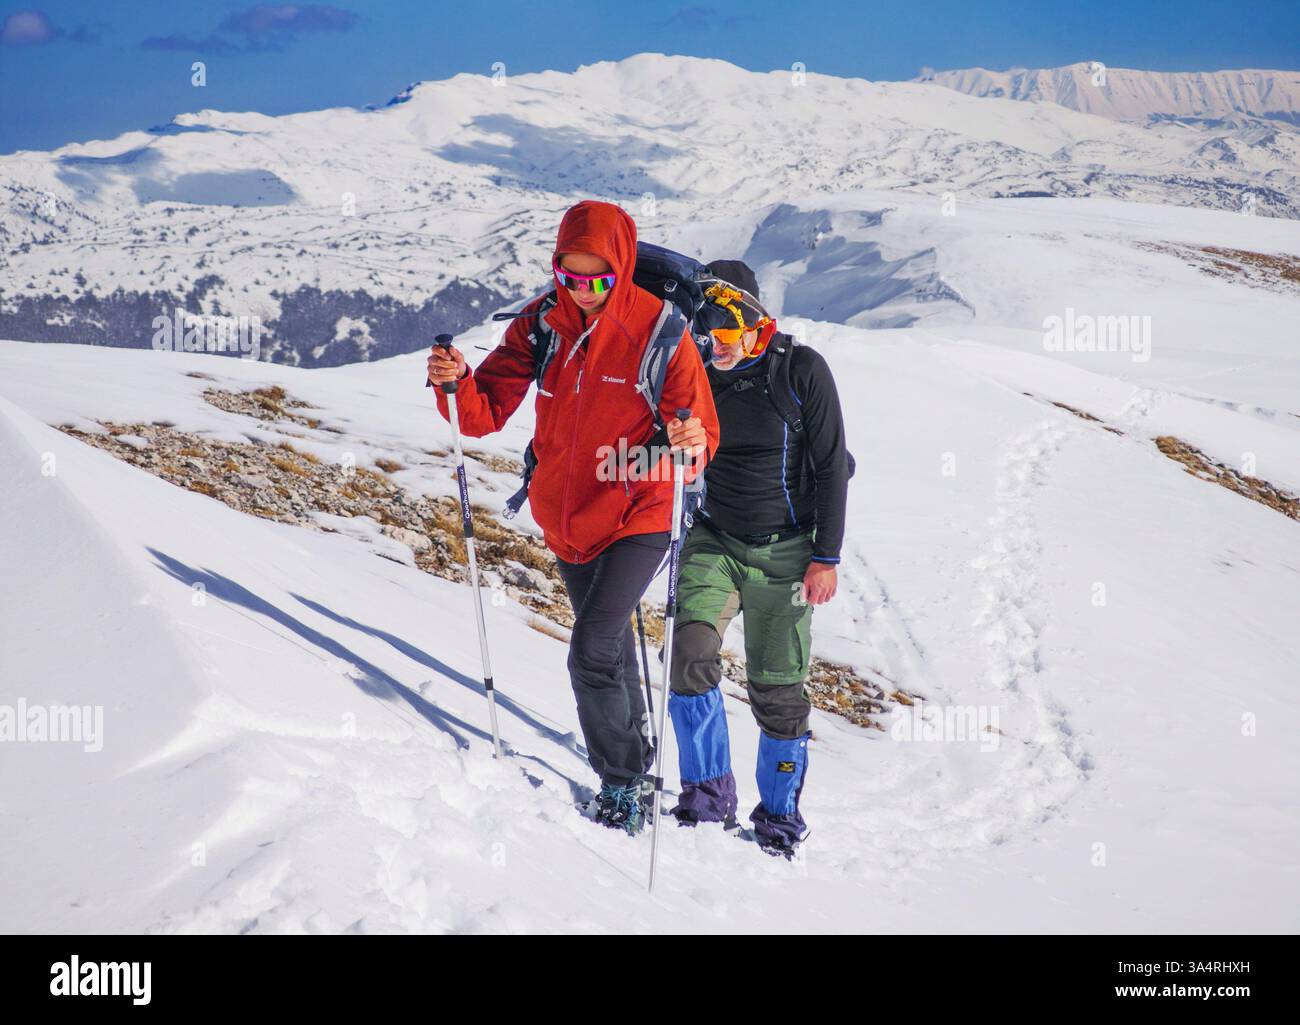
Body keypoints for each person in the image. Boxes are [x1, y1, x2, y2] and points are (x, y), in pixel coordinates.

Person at [426, 200, 719, 834]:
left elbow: (698, 438)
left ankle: (622, 783)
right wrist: (454, 383)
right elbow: (482, 414)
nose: (584, 292)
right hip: (566, 516)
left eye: (599, 278)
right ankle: (634, 760)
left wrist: (688, 441)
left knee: (589, 647)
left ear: (622, 266)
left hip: (639, 512)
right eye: (571, 276)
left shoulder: (659, 331)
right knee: (609, 645)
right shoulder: (542, 324)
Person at [666, 259, 850, 858]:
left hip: (789, 553)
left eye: (725, 334)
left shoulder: (800, 371)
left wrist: (826, 556)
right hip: (714, 540)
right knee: (690, 656)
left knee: (778, 692)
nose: (714, 347)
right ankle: (707, 791)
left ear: (752, 321)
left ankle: (777, 817)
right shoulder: (694, 374)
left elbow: (832, 467)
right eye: (705, 334)